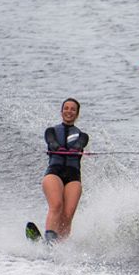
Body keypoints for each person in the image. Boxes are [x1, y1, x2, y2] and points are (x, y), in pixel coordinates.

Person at [41, 98, 89, 242]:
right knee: (56, 204)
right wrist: (56, 147)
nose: (69, 111)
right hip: (54, 174)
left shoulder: (83, 136)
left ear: (77, 114)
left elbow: (81, 143)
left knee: (67, 215)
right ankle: (49, 239)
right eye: (66, 108)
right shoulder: (51, 131)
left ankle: (62, 245)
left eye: (73, 109)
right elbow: (51, 141)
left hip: (73, 177)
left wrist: (76, 148)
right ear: (61, 112)